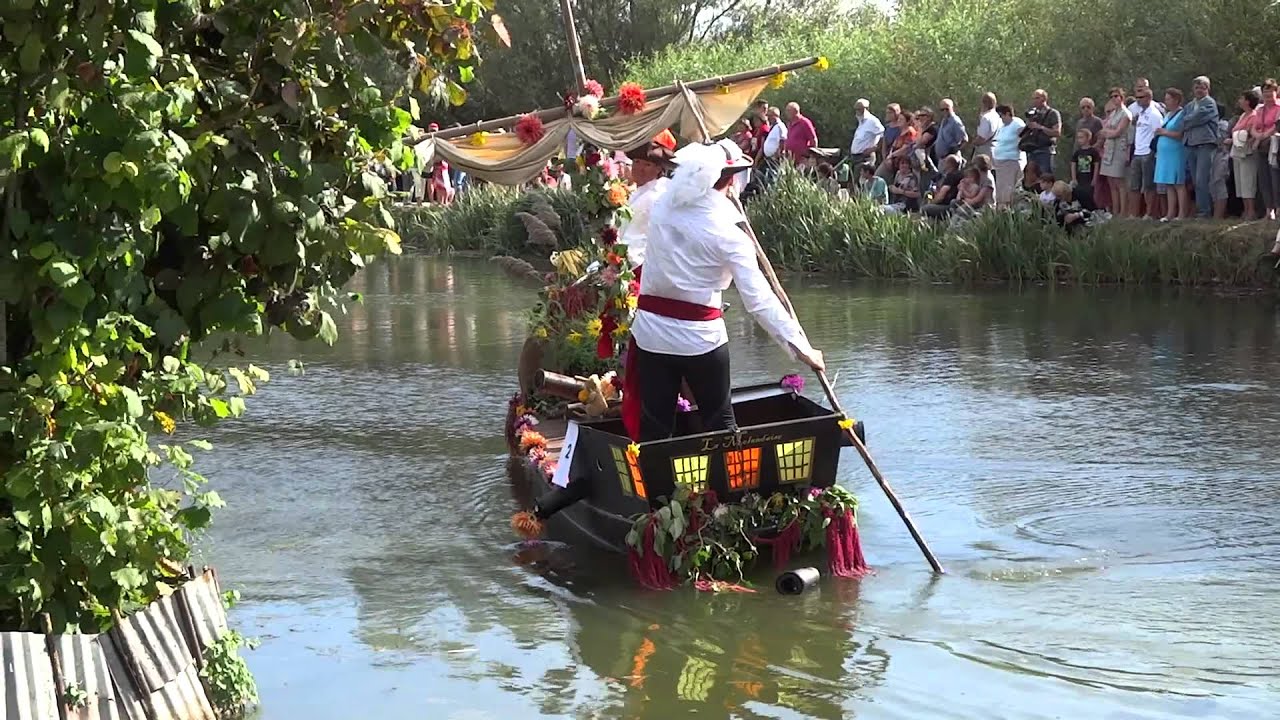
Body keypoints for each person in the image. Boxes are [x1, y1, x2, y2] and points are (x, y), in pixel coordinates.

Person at [623, 139, 825, 442]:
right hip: (699, 339)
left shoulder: (663, 207)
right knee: (720, 421)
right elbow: (758, 301)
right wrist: (801, 348)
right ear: (731, 181)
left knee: (656, 424)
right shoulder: (730, 235)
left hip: (651, 334)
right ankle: (728, 488)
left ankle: (657, 488)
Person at [620, 132, 677, 270]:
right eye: (636, 162)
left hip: (641, 267)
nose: (639, 168)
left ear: (659, 168)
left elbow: (637, 241)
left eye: (647, 164)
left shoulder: (655, 196)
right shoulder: (640, 191)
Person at [1182, 76, 1221, 218]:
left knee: (1201, 179)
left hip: (1205, 144)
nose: (1199, 90)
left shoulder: (1210, 103)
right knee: (1194, 180)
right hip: (1191, 144)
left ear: (1208, 89)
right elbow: (1183, 121)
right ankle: (1200, 210)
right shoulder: (1189, 105)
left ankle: (1205, 211)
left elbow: (1196, 119)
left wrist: (1189, 120)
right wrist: (1189, 119)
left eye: (1202, 87)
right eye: (1197, 87)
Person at [1153, 87, 1188, 221]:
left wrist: (1164, 132)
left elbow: (1180, 134)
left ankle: (1182, 214)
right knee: (1168, 183)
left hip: (1175, 152)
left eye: (1168, 99)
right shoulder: (1167, 115)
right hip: (1164, 154)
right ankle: (1170, 213)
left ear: (1176, 100)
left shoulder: (1182, 114)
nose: (1166, 101)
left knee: (1178, 183)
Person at [1128, 86, 1163, 219]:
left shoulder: (1155, 114)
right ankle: (1134, 213)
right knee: (1134, 185)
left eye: (1141, 97)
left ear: (1149, 98)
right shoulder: (1141, 114)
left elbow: (1158, 134)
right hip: (1137, 152)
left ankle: (1149, 213)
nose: (1138, 100)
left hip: (1148, 152)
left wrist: (1153, 151)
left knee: (1148, 185)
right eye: (1137, 98)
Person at [1098, 87, 1132, 217]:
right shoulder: (1113, 113)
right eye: (1112, 96)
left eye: (1116, 96)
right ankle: (1116, 211)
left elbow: (1118, 131)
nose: (1114, 98)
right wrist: (1108, 133)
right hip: (1109, 149)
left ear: (1122, 97)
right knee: (1111, 181)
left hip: (1119, 149)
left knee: (1119, 182)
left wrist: (1108, 133)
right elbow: (1104, 129)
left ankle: (1123, 212)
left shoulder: (1126, 114)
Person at [1231, 89, 1262, 220]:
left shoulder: (1254, 116)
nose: (1239, 101)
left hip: (1247, 151)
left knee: (1248, 181)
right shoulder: (1243, 115)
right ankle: (1245, 209)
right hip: (1237, 150)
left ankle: (1251, 210)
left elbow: (1249, 133)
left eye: (1242, 98)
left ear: (1248, 101)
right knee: (1240, 182)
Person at [1253, 79, 1280, 219]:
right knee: (1263, 179)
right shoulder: (1260, 109)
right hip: (1261, 146)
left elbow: (1276, 126)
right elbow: (1254, 126)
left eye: (1271, 91)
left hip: (1274, 146)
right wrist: (1258, 136)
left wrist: (1262, 136)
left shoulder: (1279, 107)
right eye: (1265, 92)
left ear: (1276, 92)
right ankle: (1268, 209)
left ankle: (1278, 208)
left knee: (1275, 178)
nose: (1268, 94)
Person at [1020, 89, 1062, 176]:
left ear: (1044, 99)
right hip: (1032, 150)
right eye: (1033, 99)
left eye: (1037, 98)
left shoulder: (1053, 113)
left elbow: (1057, 132)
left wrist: (1040, 127)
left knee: (1045, 176)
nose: (1034, 101)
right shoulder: (1034, 114)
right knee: (1032, 176)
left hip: (1045, 151)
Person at [991, 104, 1025, 206]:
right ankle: (1002, 208)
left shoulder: (1017, 123)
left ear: (1008, 114)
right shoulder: (1002, 127)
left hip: (1010, 160)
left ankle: (1008, 207)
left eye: (1002, 115)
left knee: (1008, 188)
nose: (1001, 118)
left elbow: (1025, 135)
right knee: (1001, 188)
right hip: (1000, 163)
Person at [848, 98, 884, 173]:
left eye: (860, 109)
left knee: (863, 181)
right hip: (856, 157)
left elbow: (883, 134)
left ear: (866, 109)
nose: (858, 111)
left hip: (865, 157)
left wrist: (874, 148)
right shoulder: (861, 122)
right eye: (856, 109)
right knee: (856, 181)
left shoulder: (872, 121)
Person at [1070, 128, 1100, 210]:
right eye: (1078, 138)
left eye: (1081, 137)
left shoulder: (1093, 151)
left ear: (1088, 138)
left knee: (1089, 195)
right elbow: (1073, 164)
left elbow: (1096, 165)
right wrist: (1074, 178)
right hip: (1079, 178)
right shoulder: (1077, 152)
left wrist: (1095, 178)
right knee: (1079, 193)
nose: (1079, 140)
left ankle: (1091, 210)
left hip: (1089, 178)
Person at [973, 92, 1001, 160]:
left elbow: (982, 138)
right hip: (996, 151)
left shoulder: (986, 118)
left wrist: (973, 143)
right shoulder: (997, 116)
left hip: (985, 152)